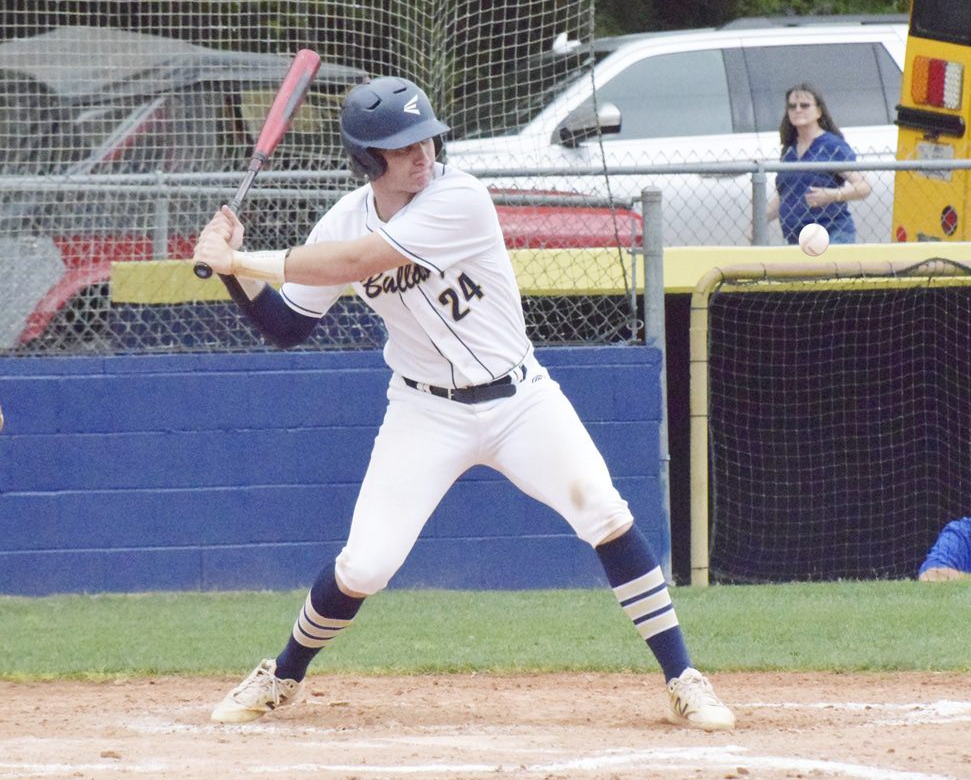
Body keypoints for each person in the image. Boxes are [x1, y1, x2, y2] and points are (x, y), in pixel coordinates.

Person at [191, 76, 734, 731]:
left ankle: (683, 677)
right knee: (366, 565)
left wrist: (241, 258)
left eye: (426, 136)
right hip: (425, 412)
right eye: (402, 145)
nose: (423, 152)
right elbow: (287, 326)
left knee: (603, 509)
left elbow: (357, 260)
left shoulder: (460, 196)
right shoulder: (343, 216)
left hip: (520, 401)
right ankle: (282, 675)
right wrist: (226, 270)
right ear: (368, 160)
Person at [766, 83, 871, 245]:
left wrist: (832, 195)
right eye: (792, 106)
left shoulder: (830, 145)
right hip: (798, 238)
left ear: (819, 111)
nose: (798, 110)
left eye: (805, 105)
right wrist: (759, 221)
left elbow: (863, 186)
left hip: (832, 233)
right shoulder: (789, 149)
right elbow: (785, 194)